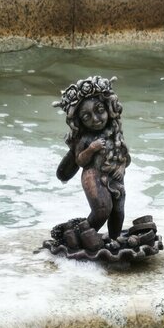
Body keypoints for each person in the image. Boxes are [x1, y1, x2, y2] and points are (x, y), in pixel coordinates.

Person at [54, 76, 131, 239]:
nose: (96, 120)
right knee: (102, 209)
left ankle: (114, 239)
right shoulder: (86, 139)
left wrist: (121, 167)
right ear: (79, 121)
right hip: (93, 176)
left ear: (109, 108)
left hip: (115, 178)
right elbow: (80, 160)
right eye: (87, 117)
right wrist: (91, 149)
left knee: (118, 210)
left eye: (100, 110)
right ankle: (81, 236)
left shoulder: (115, 134)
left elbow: (125, 157)